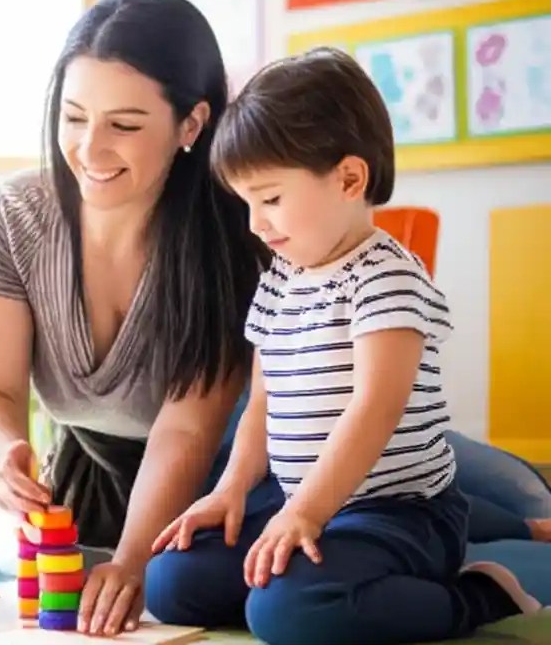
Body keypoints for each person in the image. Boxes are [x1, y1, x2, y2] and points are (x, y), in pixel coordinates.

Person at [145, 47, 542, 644]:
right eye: (245, 202)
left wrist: (307, 513)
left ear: (350, 179)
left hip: (398, 510)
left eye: (270, 198)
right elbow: (262, 403)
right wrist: (229, 492)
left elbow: (375, 408)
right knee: (172, 584)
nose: (255, 223)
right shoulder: (279, 278)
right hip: (298, 499)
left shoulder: (387, 277)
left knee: (289, 613)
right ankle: (302, 586)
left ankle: (476, 594)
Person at [0, 0, 270, 637]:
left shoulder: (231, 232)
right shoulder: (11, 216)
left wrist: (133, 559)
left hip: (239, 459)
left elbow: (187, 431)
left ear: (192, 125)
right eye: (74, 118)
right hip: (96, 474)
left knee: (431, 489)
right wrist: (0, 456)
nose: (91, 150)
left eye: (124, 125)